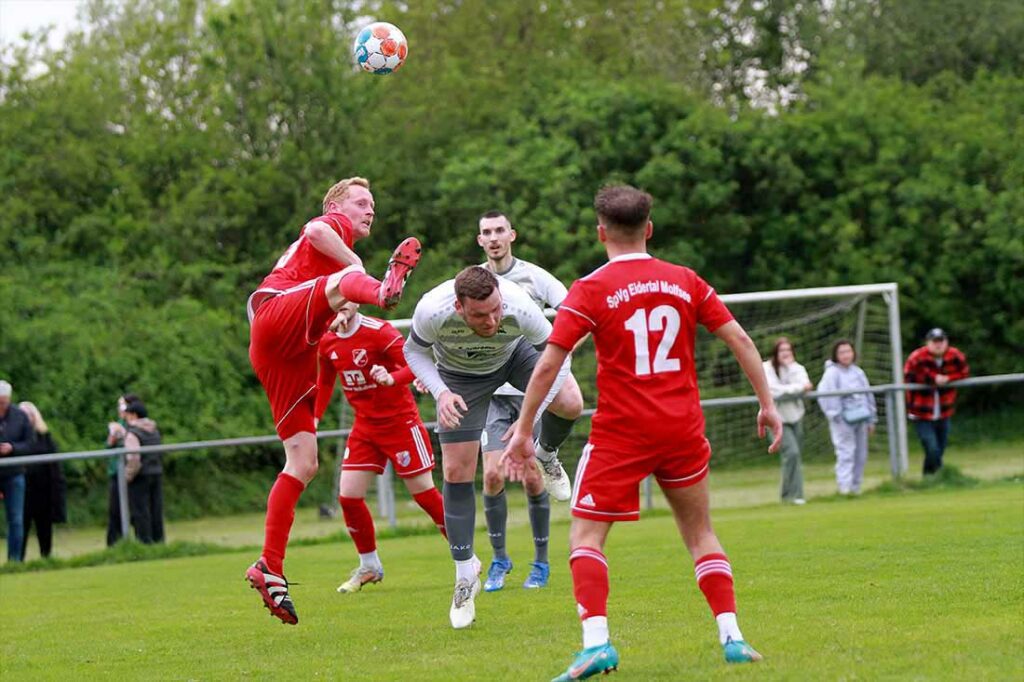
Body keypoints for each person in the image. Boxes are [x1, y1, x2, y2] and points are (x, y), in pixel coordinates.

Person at [502, 185, 781, 678]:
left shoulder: (590, 288)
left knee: (586, 535)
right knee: (701, 534)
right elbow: (738, 337)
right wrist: (767, 404)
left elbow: (549, 364)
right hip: (682, 428)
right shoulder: (685, 280)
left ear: (600, 232)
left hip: (622, 434)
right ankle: (732, 635)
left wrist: (524, 431)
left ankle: (596, 644)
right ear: (649, 228)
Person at [245, 176, 423, 625]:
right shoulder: (335, 224)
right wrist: (359, 268)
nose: (369, 210)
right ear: (337, 204)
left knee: (302, 462)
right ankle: (383, 291)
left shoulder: (339, 243)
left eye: (373, 205)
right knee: (348, 278)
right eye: (362, 202)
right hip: (275, 312)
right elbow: (316, 231)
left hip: (288, 349)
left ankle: (270, 566)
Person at [403, 265, 583, 629]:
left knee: (570, 401)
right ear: (458, 306)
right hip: (460, 377)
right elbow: (413, 353)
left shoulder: (519, 306)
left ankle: (547, 454)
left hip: (513, 357)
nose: (492, 320)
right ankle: (465, 576)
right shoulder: (431, 309)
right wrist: (441, 392)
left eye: (496, 310)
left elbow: (560, 356)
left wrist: (530, 419)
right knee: (456, 471)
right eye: (480, 315)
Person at [476, 210, 586, 591]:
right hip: (491, 392)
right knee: (491, 475)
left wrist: (558, 356)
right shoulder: (474, 281)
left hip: (529, 392)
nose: (493, 237)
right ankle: (499, 561)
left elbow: (576, 311)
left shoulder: (534, 277)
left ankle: (540, 564)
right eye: (486, 232)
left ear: (512, 235)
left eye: (499, 230)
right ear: (480, 241)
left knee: (530, 477)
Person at [313, 302, 448, 594]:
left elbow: (415, 364)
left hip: (400, 423)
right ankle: (369, 566)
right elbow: (324, 383)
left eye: (348, 299)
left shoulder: (379, 332)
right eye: (337, 300)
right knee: (348, 495)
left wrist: (392, 378)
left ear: (357, 302)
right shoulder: (327, 339)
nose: (342, 306)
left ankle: (466, 555)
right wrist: (313, 418)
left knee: (424, 495)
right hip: (365, 427)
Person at [903, 328, 970, 475]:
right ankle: (939, 476)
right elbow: (909, 375)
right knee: (931, 447)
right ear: (928, 343)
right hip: (921, 412)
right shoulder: (917, 357)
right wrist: (933, 379)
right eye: (935, 342)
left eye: (941, 341)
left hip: (944, 411)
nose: (938, 345)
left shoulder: (955, 355)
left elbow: (964, 372)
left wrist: (948, 378)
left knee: (940, 447)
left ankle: (930, 478)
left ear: (946, 342)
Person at [816, 340, 877, 495]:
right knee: (846, 452)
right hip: (842, 420)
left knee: (860, 454)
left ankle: (856, 488)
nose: (846, 355)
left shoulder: (858, 372)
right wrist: (836, 415)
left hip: (861, 417)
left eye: (848, 351)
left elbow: (867, 395)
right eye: (842, 352)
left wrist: (871, 418)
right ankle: (845, 488)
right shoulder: (832, 373)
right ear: (836, 355)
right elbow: (825, 396)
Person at [762, 337, 812, 504]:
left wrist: (791, 372)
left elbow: (806, 384)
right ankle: (796, 495)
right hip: (777, 419)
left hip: (796, 416)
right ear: (775, 352)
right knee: (792, 453)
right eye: (782, 350)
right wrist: (797, 389)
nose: (785, 354)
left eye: (788, 350)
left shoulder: (796, 368)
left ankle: (788, 496)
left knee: (793, 457)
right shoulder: (766, 368)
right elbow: (773, 391)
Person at [19, 402, 67, 560]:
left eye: (29, 415)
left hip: (43, 489)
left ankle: (46, 558)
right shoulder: (15, 439)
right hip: (22, 489)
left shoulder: (45, 438)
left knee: (44, 527)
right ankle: (17, 561)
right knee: (21, 526)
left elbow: (55, 466)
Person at [123, 398, 164, 544]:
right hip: (156, 473)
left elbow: (133, 458)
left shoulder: (133, 433)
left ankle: (145, 543)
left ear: (134, 415)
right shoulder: (154, 430)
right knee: (156, 510)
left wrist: (127, 475)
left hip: (140, 476)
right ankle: (159, 541)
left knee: (141, 512)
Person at [0, 380, 33, 562]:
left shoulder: (20, 416)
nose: (1, 406)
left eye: (4, 402)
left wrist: (12, 448)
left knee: (16, 519)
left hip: (14, 474)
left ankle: (15, 561)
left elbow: (30, 443)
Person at [105, 393, 136, 546]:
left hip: (130, 472)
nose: (120, 409)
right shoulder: (119, 423)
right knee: (114, 510)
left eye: (122, 406)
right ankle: (113, 545)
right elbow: (108, 446)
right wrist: (112, 437)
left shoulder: (133, 424)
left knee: (133, 510)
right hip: (116, 472)